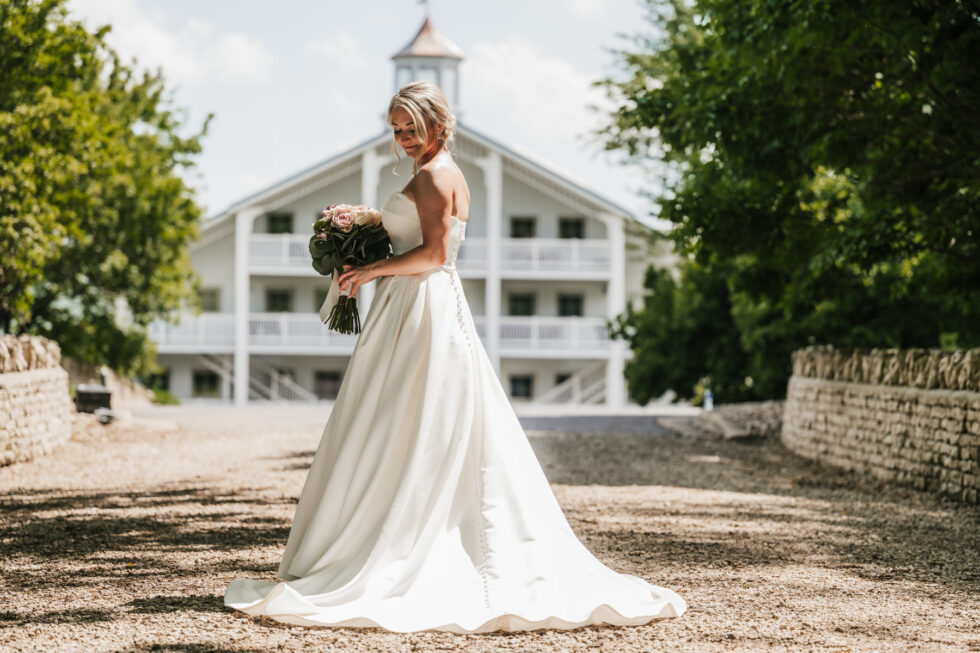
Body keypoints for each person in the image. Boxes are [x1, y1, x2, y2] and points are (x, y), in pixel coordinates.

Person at [223, 81, 687, 633]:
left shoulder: (436, 175)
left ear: (438, 123)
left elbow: (437, 254)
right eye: (395, 128)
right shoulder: (438, 172)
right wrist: (367, 229)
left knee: (410, 416)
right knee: (396, 419)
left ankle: (395, 544)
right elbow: (419, 235)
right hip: (414, 301)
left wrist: (370, 270)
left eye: (409, 128)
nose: (401, 137)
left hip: (422, 304)